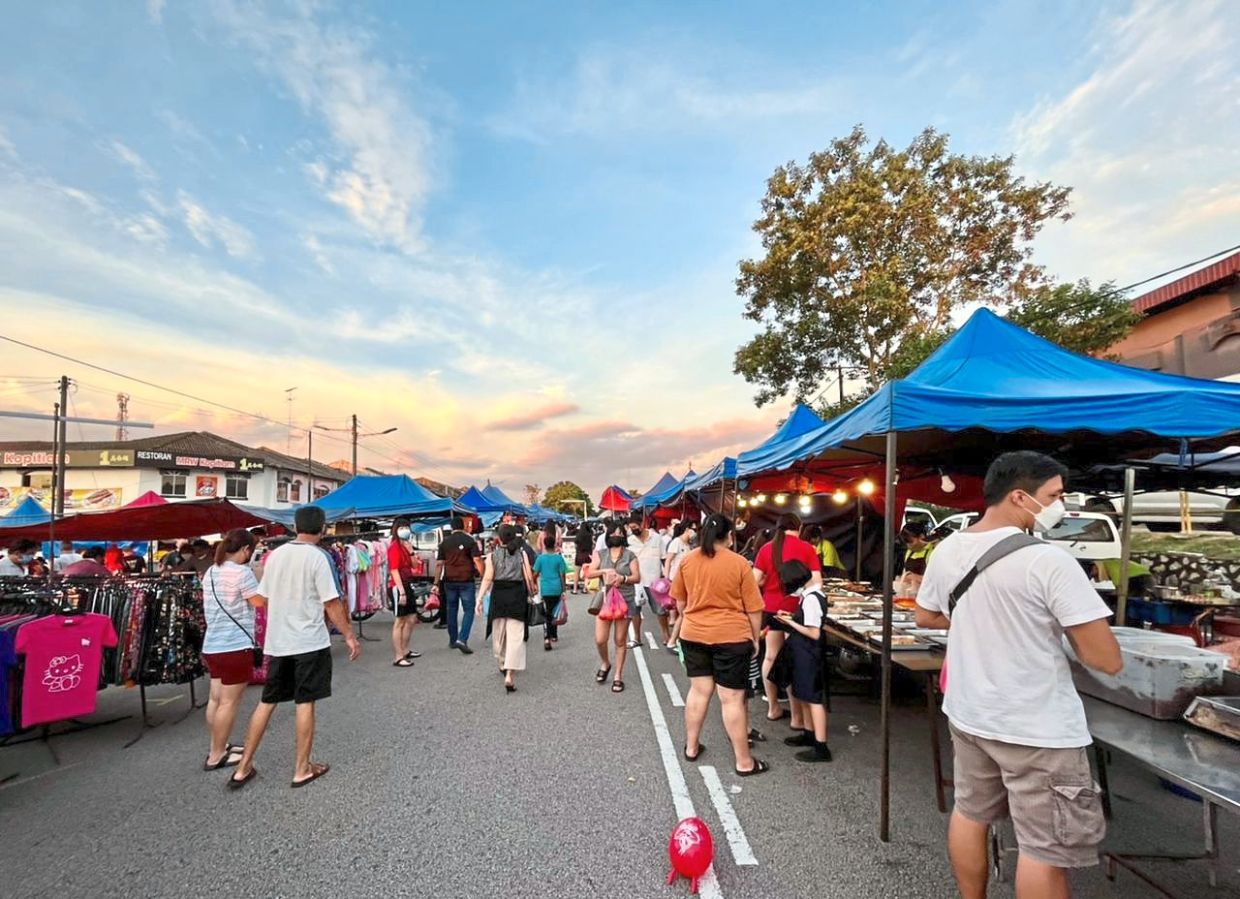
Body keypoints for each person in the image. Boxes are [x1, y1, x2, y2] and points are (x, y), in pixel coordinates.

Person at [915, 451, 1122, 899]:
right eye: (1055, 496)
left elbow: (925, 616)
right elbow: (1105, 659)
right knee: (1043, 849)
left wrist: (980, 617)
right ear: (1020, 497)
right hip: (1038, 729)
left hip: (970, 715)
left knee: (970, 812)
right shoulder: (1049, 562)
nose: (1060, 507)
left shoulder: (948, 548)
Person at [228, 506, 361, 790]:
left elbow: (261, 598)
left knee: (267, 702)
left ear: (294, 527)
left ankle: (243, 766)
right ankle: (302, 768)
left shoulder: (275, 557)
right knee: (305, 702)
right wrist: (349, 635)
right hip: (309, 641)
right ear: (322, 528)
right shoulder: (318, 558)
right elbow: (331, 603)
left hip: (279, 642)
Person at [672, 513, 767, 776]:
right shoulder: (739, 564)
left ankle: (691, 747)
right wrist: (755, 638)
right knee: (732, 699)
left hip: (693, 634)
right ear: (729, 536)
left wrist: (690, 615)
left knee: (699, 691)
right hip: (732, 637)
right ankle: (744, 762)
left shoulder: (687, 561)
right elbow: (754, 608)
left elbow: (679, 602)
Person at [201, 528, 263, 771]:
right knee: (229, 703)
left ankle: (218, 745)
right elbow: (257, 602)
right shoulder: (243, 573)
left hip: (213, 644)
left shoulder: (211, 572)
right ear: (246, 550)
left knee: (215, 700)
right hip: (235, 645)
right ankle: (217, 755)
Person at [752, 513, 822, 729]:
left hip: (771, 608)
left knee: (771, 657)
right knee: (794, 661)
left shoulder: (766, 549)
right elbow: (817, 582)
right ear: (798, 528)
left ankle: (773, 707)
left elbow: (753, 582)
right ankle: (797, 718)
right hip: (796, 611)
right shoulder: (807, 548)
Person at [775, 560, 832, 762]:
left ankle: (821, 745)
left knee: (813, 699)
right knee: (804, 696)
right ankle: (809, 734)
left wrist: (790, 621)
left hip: (809, 653)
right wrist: (792, 617)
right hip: (804, 653)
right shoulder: (810, 595)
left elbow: (814, 632)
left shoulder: (811, 599)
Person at [476, 524, 535, 693]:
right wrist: (532, 591)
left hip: (499, 596)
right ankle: (510, 673)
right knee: (516, 635)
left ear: (499, 538)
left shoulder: (492, 556)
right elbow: (528, 576)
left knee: (499, 633)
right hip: (517, 595)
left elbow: (487, 579)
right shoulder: (521, 554)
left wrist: (479, 599)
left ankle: (502, 661)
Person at [583, 520, 640, 693]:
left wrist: (623, 578)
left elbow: (637, 577)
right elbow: (589, 572)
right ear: (607, 535)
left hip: (625, 600)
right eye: (613, 533)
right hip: (606, 600)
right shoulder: (600, 553)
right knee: (600, 639)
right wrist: (604, 572)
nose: (616, 535)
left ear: (624, 535)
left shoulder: (630, 555)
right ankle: (606, 663)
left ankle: (618, 675)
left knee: (620, 640)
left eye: (619, 532)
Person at [437, 516, 483, 654]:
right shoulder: (470, 541)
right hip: (466, 580)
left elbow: (440, 564)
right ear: (463, 526)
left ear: (451, 527)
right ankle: (462, 639)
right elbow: (477, 560)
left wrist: (435, 582)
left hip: (449, 580)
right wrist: (483, 574)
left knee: (451, 608)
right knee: (468, 610)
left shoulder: (444, 543)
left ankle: (453, 640)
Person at [387, 518, 421, 668]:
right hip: (398, 586)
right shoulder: (393, 547)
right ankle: (398, 656)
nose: (405, 530)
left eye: (407, 527)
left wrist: (411, 551)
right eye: (402, 527)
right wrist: (401, 592)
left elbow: (414, 565)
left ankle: (405, 649)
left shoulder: (406, 546)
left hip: (408, 583)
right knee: (400, 620)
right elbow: (394, 570)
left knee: (412, 617)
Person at [630, 516, 668, 645]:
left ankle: (666, 635)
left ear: (642, 524)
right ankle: (636, 638)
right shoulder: (630, 541)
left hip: (654, 581)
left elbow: (664, 558)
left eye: (635, 527)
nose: (633, 530)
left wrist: (666, 577)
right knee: (635, 611)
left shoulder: (656, 538)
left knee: (660, 610)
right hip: (636, 582)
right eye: (630, 528)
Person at [533, 535, 568, 650]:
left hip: (546, 589)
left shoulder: (540, 559)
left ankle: (547, 637)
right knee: (555, 611)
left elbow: (535, 574)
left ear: (544, 545)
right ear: (554, 544)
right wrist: (564, 589)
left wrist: (534, 583)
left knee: (547, 613)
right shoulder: (558, 558)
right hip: (556, 588)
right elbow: (562, 574)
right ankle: (554, 634)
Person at [573, 524, 594, 594]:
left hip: (579, 555)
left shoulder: (578, 535)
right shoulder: (590, 536)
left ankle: (575, 589)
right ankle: (585, 588)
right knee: (586, 573)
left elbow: (575, 545)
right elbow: (592, 545)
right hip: (587, 556)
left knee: (576, 573)